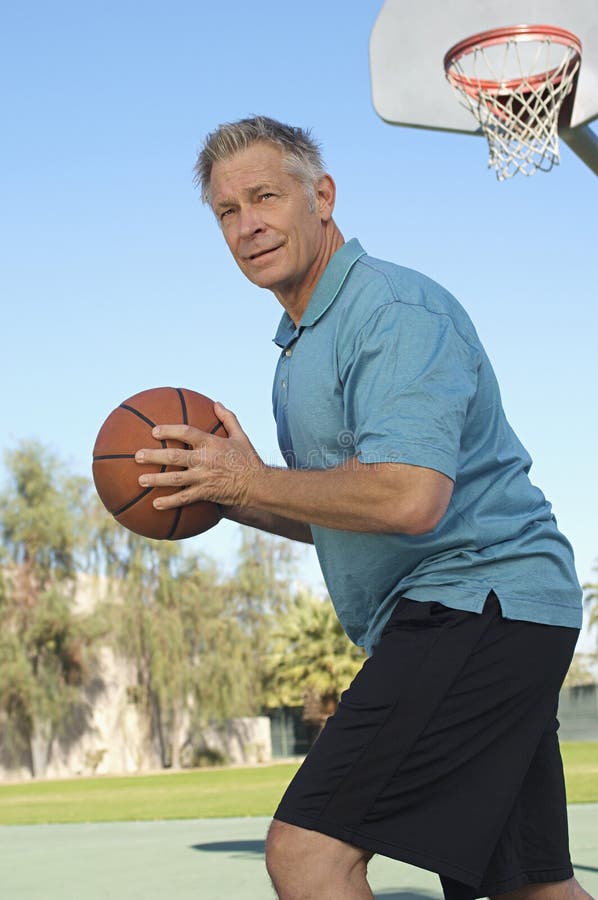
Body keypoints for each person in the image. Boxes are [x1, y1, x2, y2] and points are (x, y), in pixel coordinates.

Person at [134, 116, 590, 900]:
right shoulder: (302, 342)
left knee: (308, 853)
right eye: (228, 212)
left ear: (324, 196)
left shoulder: (391, 310)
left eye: (266, 196)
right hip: (495, 613)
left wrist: (248, 480)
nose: (249, 226)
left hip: (478, 602)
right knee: (527, 885)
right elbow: (346, 509)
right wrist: (227, 495)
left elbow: (409, 497)